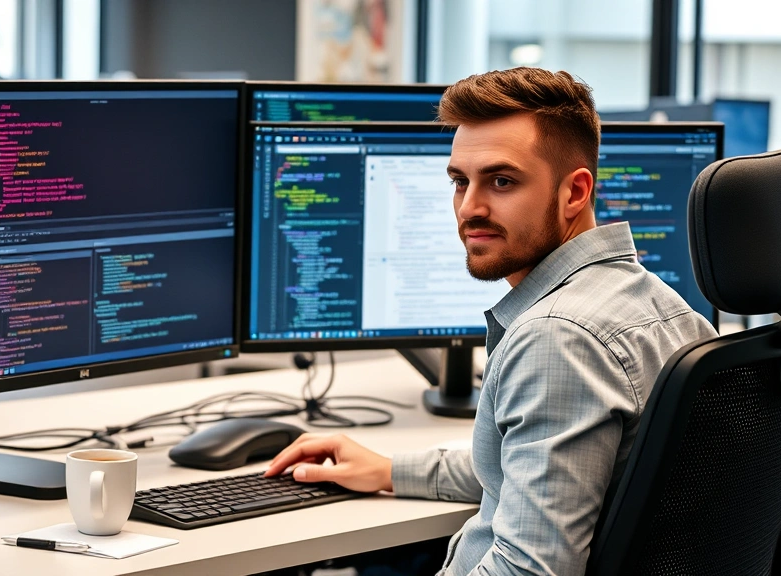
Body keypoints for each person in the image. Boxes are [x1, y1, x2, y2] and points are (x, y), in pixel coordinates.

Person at [265, 67, 718, 575]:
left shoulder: (558, 338)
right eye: (460, 181)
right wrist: (390, 470)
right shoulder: (669, 310)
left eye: (502, 181)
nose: (469, 208)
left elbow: (529, 571)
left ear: (575, 193)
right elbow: (539, 467)